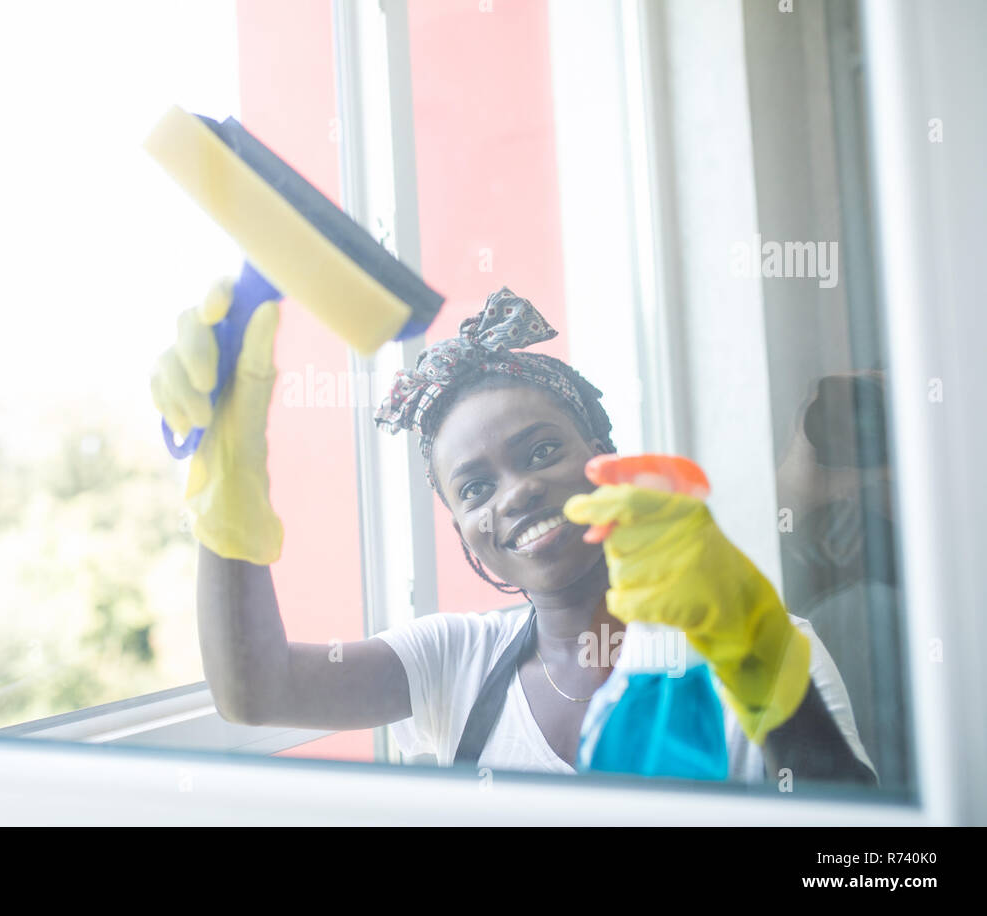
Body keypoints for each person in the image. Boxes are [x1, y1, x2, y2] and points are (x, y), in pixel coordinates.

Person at [152, 282, 876, 784]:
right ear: (465, 533)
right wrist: (229, 493)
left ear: (605, 459)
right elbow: (256, 689)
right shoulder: (456, 662)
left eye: (541, 452)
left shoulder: (763, 646)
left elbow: (867, 873)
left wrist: (754, 651)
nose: (519, 491)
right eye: (475, 487)